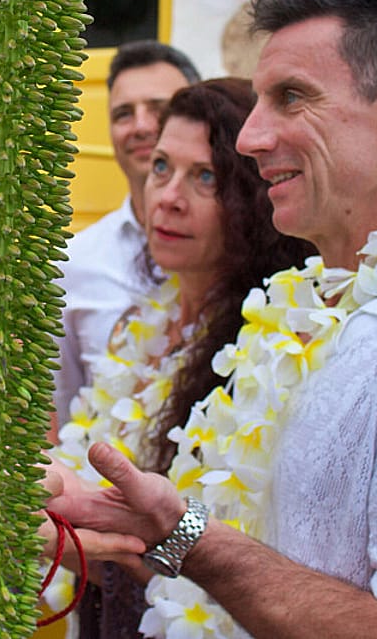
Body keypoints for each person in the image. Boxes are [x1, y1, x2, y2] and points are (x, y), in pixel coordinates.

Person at [49, 0, 377, 639]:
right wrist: (152, 533)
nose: (250, 137)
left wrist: (187, 535)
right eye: (260, 99)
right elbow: (237, 571)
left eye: (292, 97)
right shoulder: (296, 312)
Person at [51, 78, 313, 638]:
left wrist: (76, 542)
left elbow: (227, 567)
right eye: (161, 167)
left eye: (205, 177)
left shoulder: (270, 351)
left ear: (254, 197)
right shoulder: (137, 327)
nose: (167, 196)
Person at [54, 40, 201, 424]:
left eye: (159, 109)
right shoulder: (73, 262)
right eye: (123, 114)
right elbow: (62, 416)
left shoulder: (252, 250)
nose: (141, 126)